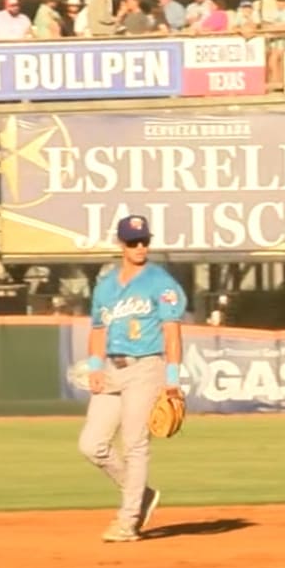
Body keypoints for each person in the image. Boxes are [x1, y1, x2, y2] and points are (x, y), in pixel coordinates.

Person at [77, 215, 186, 543]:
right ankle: (142, 496)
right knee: (91, 445)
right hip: (112, 368)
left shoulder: (160, 282)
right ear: (121, 244)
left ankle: (128, 521)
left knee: (135, 444)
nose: (140, 247)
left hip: (146, 367)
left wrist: (172, 378)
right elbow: (98, 330)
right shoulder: (106, 285)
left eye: (144, 241)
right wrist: (95, 367)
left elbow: (172, 331)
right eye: (133, 241)